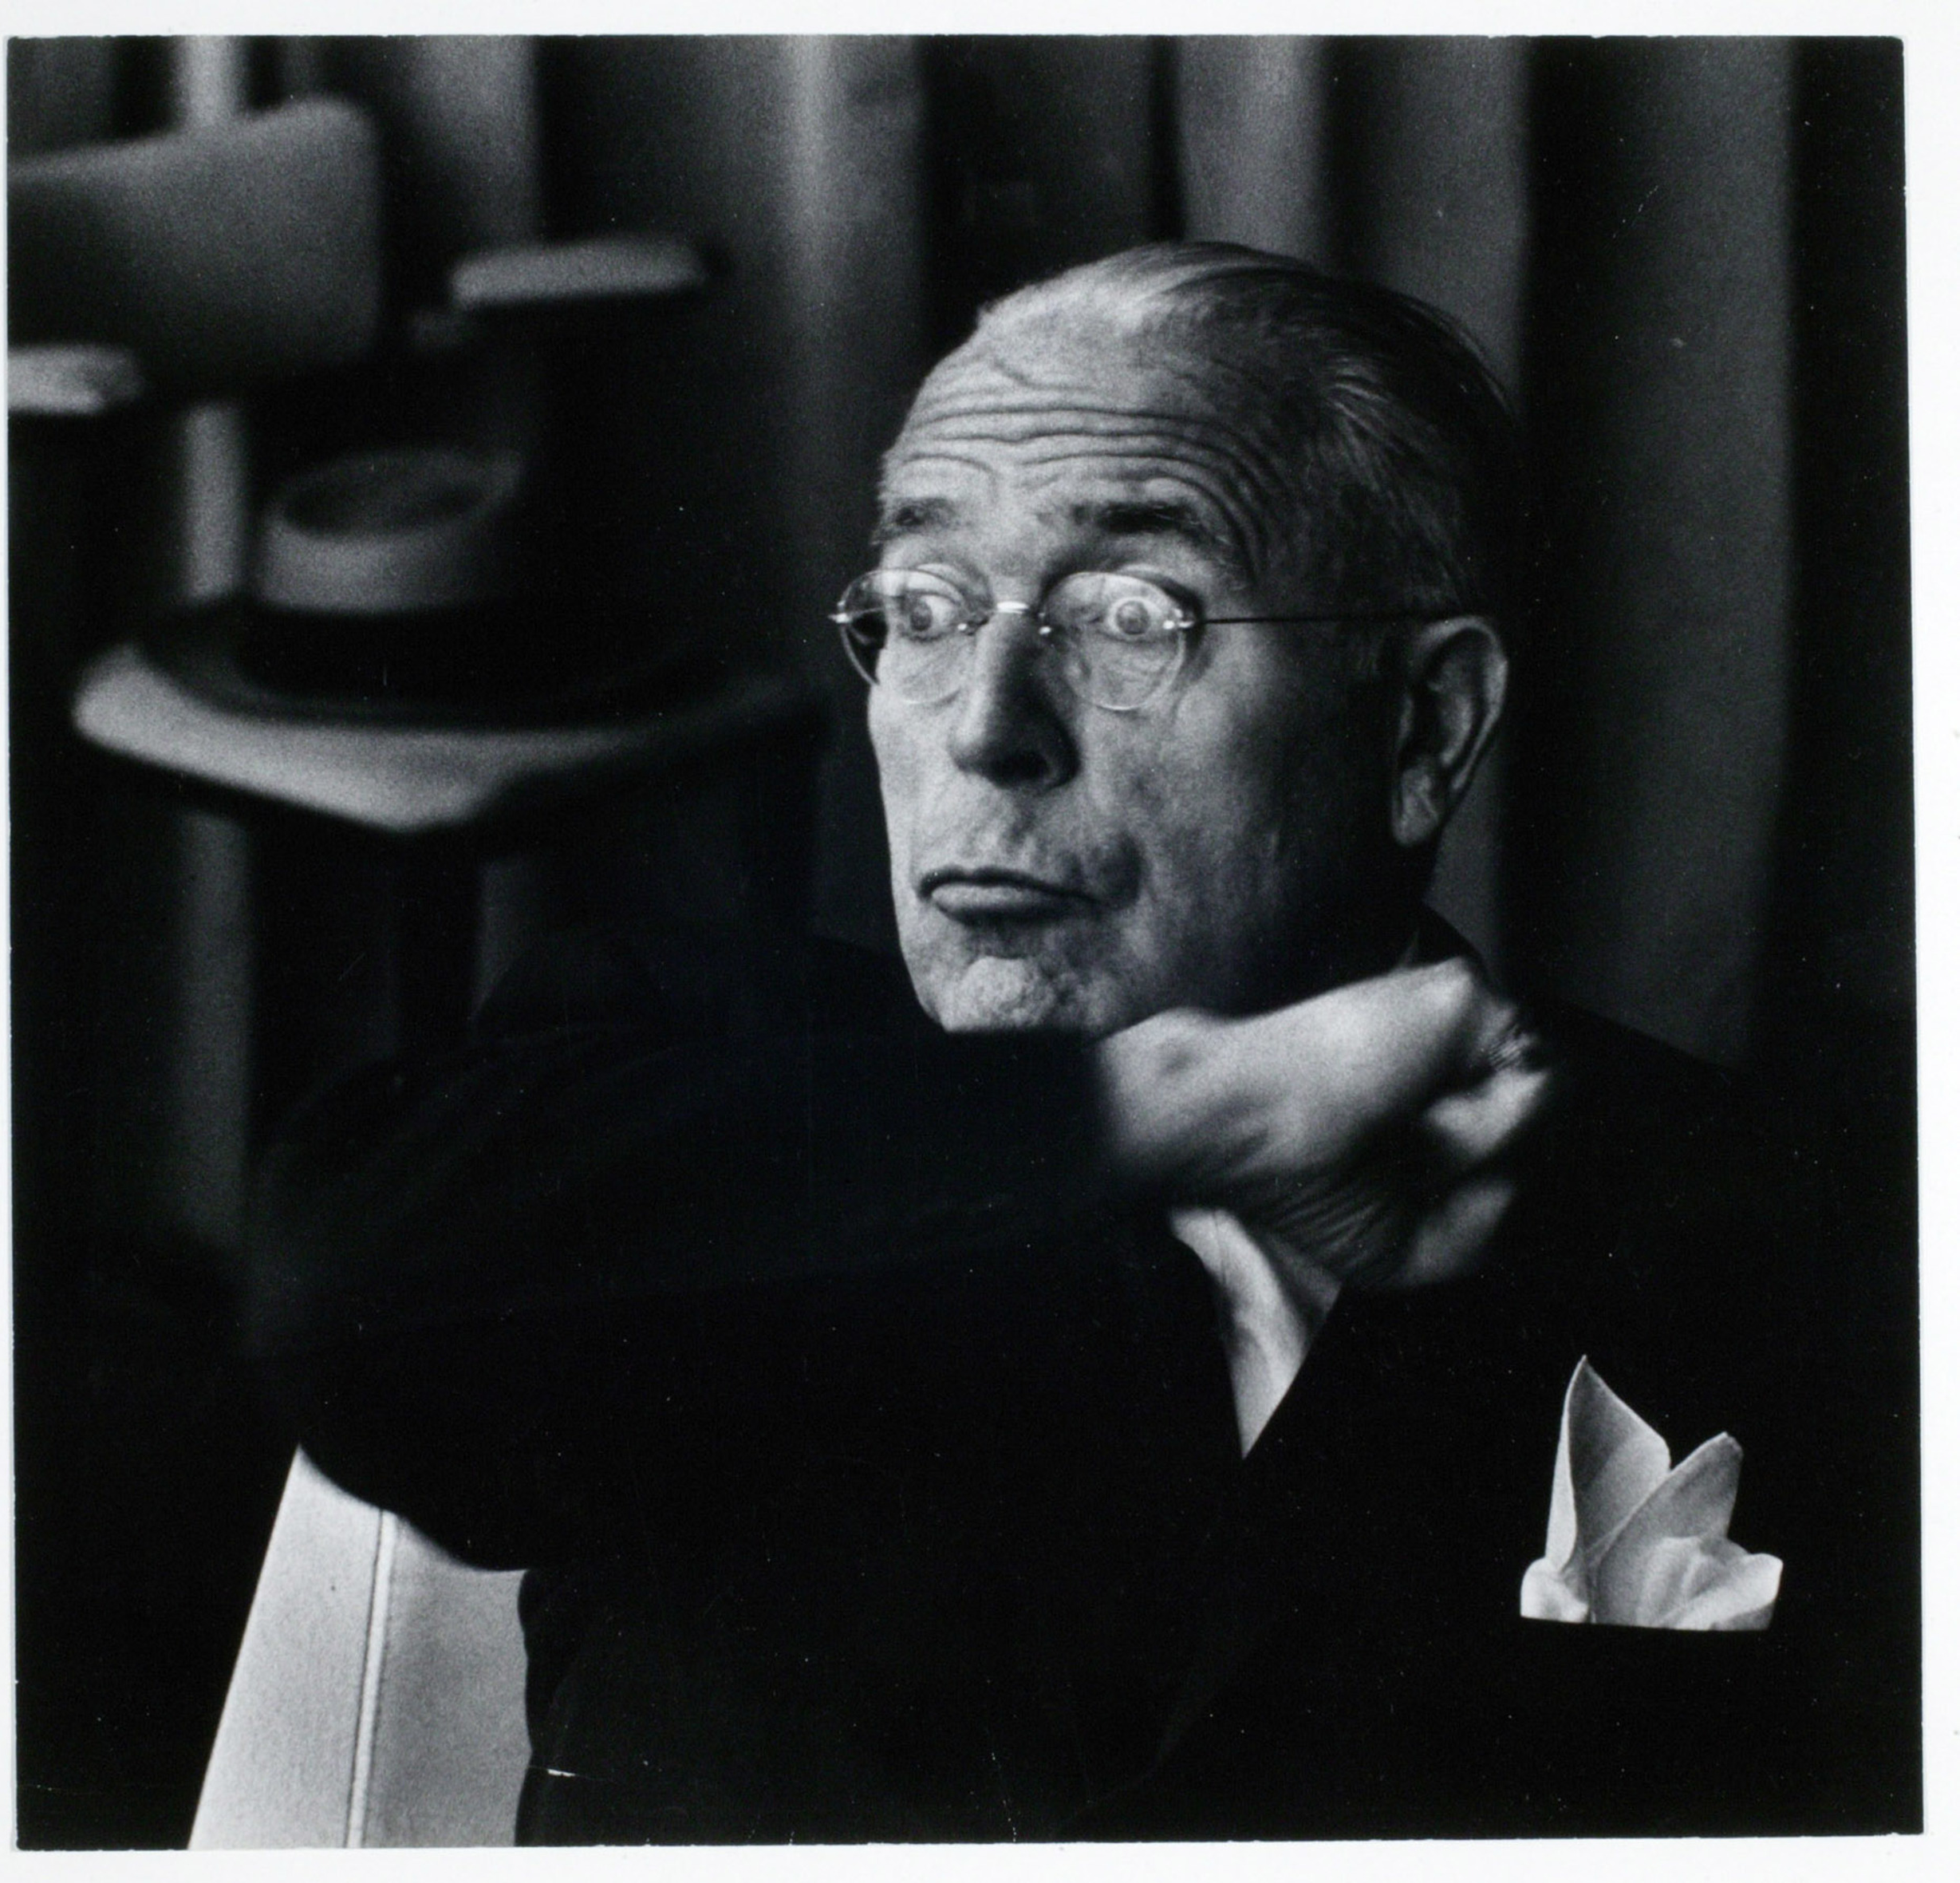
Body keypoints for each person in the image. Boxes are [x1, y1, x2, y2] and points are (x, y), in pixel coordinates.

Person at [248, 243, 1915, 1842]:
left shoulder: (1776, 1211)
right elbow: (348, 1289)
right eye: (921, 602)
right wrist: (1181, 1104)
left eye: (1129, 616)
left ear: (1421, 727)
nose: (982, 725)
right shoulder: (695, 1066)